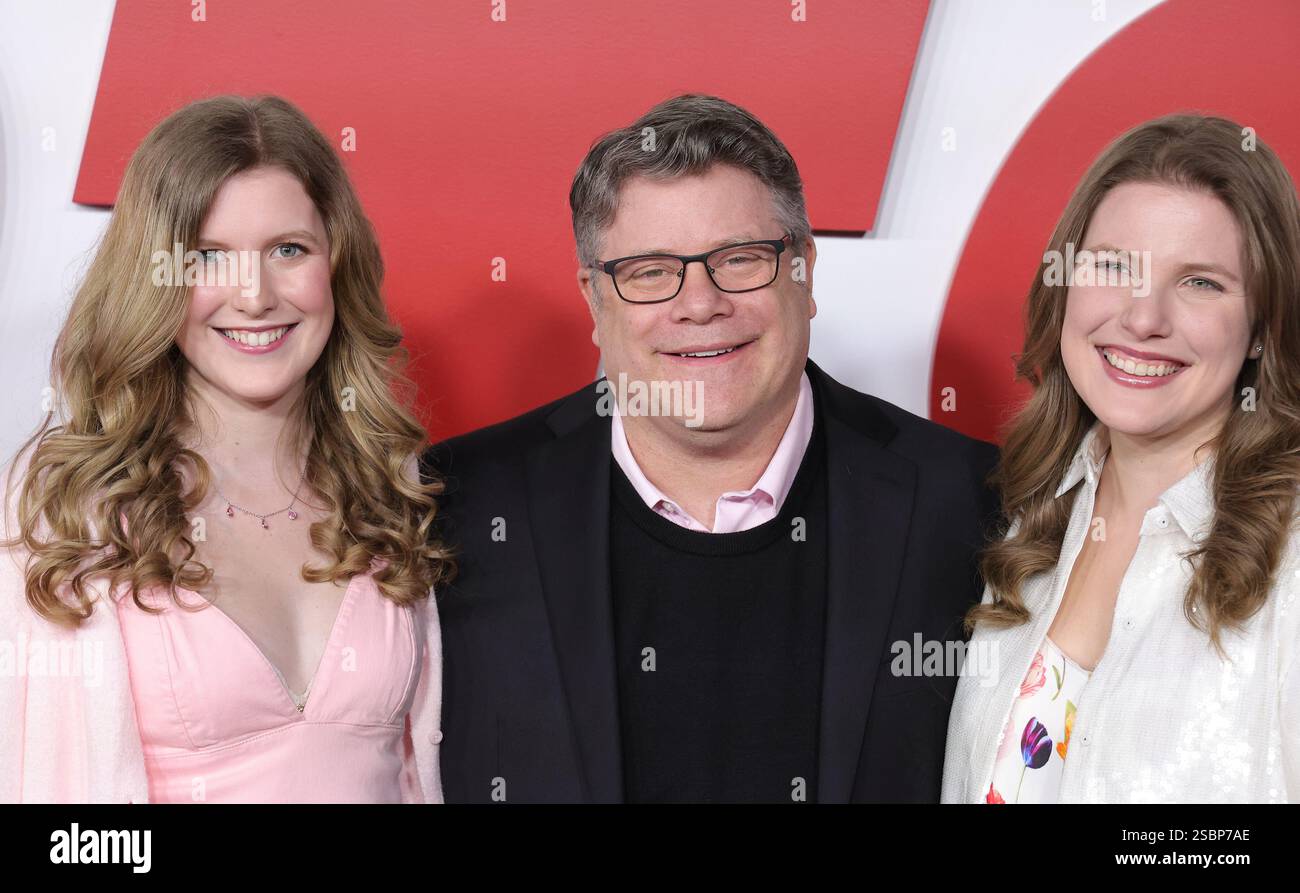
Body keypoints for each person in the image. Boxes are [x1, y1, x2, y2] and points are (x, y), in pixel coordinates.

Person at [426, 94, 999, 803]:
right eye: (649, 271)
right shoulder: (454, 503)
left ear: (805, 271)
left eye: (741, 258)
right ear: (594, 301)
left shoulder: (973, 498)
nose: (699, 303)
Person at [0, 95, 453, 803]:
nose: (254, 296)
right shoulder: (68, 500)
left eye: (288, 250)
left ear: (336, 263)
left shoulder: (387, 480)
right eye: (209, 256)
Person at [942, 114, 1300, 803]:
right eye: (1112, 265)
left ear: (1261, 327)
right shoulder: (1032, 520)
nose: (1143, 318)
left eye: (1201, 282)